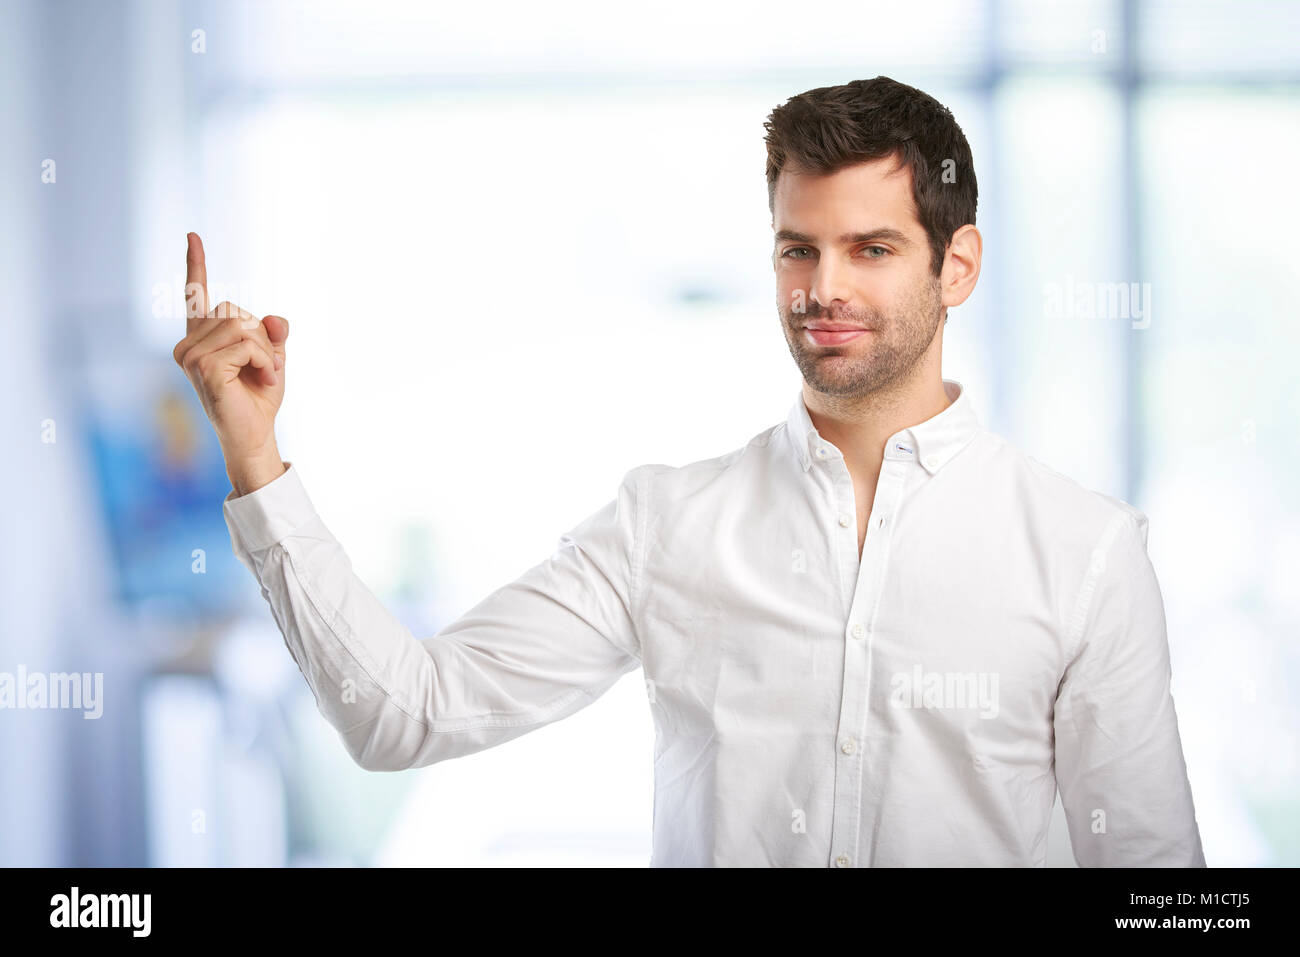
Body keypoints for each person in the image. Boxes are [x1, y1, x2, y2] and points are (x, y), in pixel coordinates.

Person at [172, 75, 1205, 867]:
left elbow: (1156, 884)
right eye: (797, 249)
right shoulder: (668, 524)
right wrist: (255, 454)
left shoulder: (1085, 552)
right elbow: (406, 714)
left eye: (872, 248)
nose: (823, 289)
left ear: (957, 264)